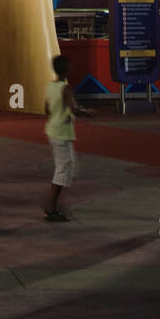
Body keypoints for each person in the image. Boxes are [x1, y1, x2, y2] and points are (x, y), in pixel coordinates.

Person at [44, 54, 93, 221]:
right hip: (61, 134)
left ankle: (55, 205)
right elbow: (74, 108)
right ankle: (51, 207)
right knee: (63, 171)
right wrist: (88, 113)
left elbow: (47, 109)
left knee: (68, 168)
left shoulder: (50, 87)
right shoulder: (65, 88)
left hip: (54, 131)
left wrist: (58, 113)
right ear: (66, 69)